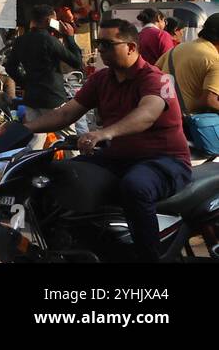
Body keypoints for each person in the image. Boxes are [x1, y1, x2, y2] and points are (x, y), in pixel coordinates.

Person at [25, 18, 192, 262]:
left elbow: (147, 114)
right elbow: (66, 113)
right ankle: (62, 249)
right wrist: (21, 129)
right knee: (48, 177)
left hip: (163, 161)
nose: (100, 50)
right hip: (117, 158)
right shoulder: (101, 79)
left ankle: (148, 258)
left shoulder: (156, 79)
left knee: (136, 187)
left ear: (131, 47)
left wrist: (103, 133)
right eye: (98, 43)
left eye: (106, 44)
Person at [4, 4, 83, 117]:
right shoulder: (50, 40)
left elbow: (10, 67)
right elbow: (77, 62)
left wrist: (26, 83)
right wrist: (69, 37)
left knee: (35, 132)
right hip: (53, 98)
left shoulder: (20, 41)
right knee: (65, 133)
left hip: (31, 99)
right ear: (49, 21)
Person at [157, 13, 219, 155]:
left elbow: (154, 72)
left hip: (165, 121)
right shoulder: (214, 59)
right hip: (191, 129)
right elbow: (209, 100)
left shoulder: (176, 49)